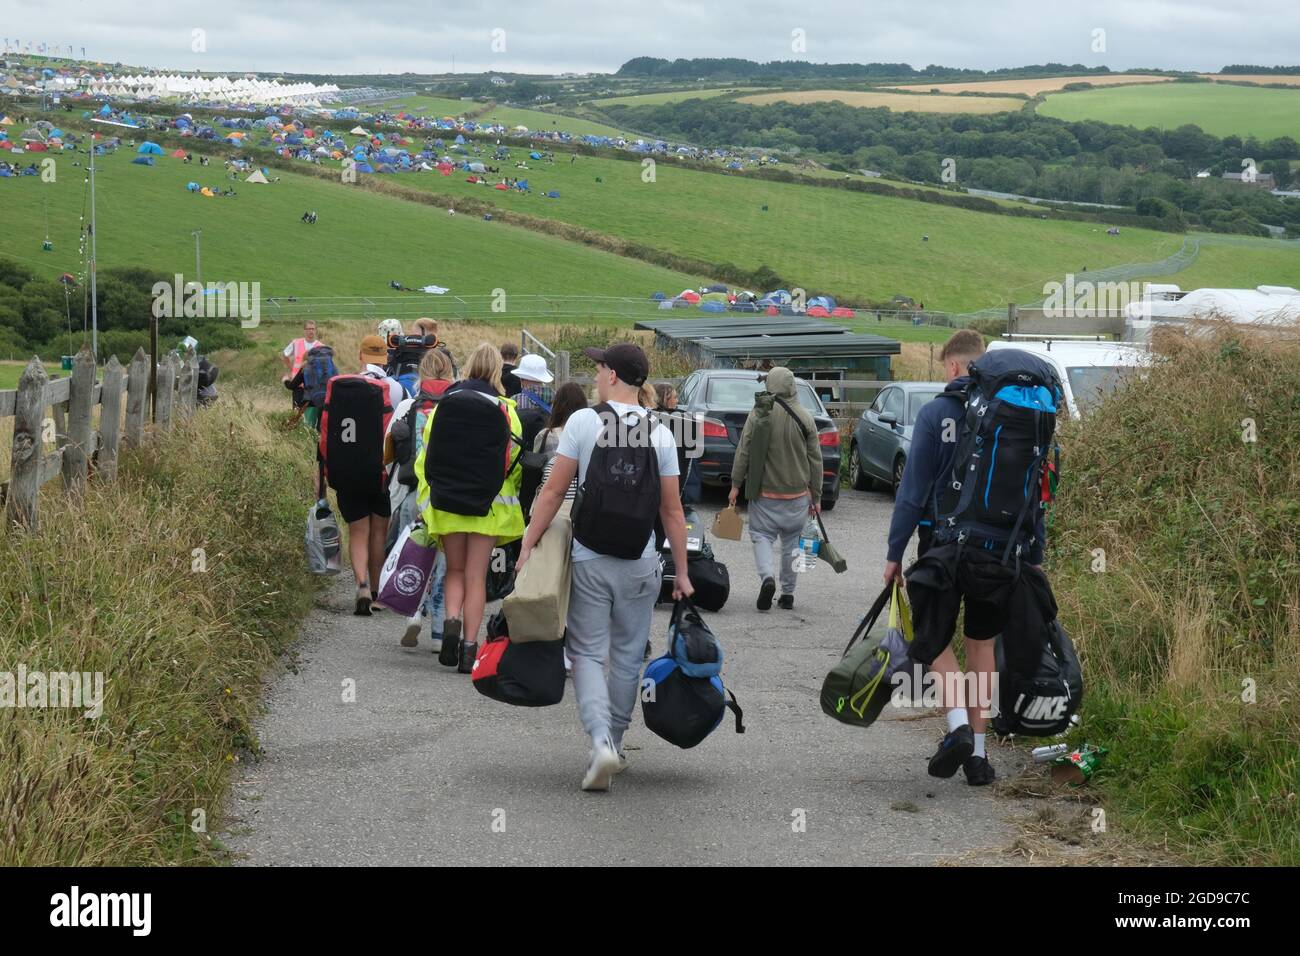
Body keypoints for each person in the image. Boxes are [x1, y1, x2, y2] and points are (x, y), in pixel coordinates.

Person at [519, 344, 693, 792]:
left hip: (591, 556)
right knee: (629, 657)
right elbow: (672, 511)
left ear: (612, 375)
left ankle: (599, 743)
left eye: (599, 369)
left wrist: (527, 543)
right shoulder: (661, 431)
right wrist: (684, 571)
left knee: (588, 654)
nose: (596, 376)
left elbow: (554, 492)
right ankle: (614, 742)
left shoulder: (583, 421)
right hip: (640, 560)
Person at [882, 329, 1045, 787]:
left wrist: (895, 553)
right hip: (1001, 550)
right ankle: (978, 755)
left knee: (932, 641)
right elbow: (1035, 494)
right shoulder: (1017, 418)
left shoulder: (937, 414)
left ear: (954, 367)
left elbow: (912, 495)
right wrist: (1034, 554)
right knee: (982, 649)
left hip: (942, 547)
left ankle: (955, 725)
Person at [415, 343, 525, 672]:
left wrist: (428, 498)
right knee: (477, 576)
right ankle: (469, 647)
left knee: (455, 571)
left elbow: (425, 457)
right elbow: (515, 463)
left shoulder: (443, 406)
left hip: (447, 503)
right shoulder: (506, 410)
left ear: (468, 367)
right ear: (496, 371)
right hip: (487, 506)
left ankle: (449, 622)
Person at [728, 366, 821, 612]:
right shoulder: (805, 416)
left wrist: (736, 484)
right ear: (792, 387)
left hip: (765, 495)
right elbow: (816, 461)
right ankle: (788, 594)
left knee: (761, 536)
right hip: (798, 496)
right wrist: (817, 495)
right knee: (793, 544)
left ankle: (767, 577)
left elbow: (744, 450)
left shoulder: (759, 414)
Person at [330, 335, 405, 615]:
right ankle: (376, 592)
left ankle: (360, 584)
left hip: (349, 470)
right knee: (379, 533)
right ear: (386, 358)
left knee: (358, 531)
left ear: (361, 356)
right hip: (382, 473)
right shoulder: (395, 388)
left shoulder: (343, 387)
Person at [386, 347, 455, 649]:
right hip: (447, 497)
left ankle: (413, 613)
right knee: (444, 565)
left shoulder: (407, 407)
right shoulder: (457, 407)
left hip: (412, 492)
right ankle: (440, 633)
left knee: (414, 556)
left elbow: (387, 454)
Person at [513, 352, 556, 517]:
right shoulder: (557, 399)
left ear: (523, 379)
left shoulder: (516, 400)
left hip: (523, 459)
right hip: (548, 457)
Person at [281, 320, 321, 392]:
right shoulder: (296, 343)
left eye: (313, 329)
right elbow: (285, 355)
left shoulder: (321, 346)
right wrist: (291, 369)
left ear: (316, 330)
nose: (311, 331)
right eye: (309, 329)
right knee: (298, 403)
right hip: (297, 383)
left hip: (314, 383)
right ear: (304, 331)